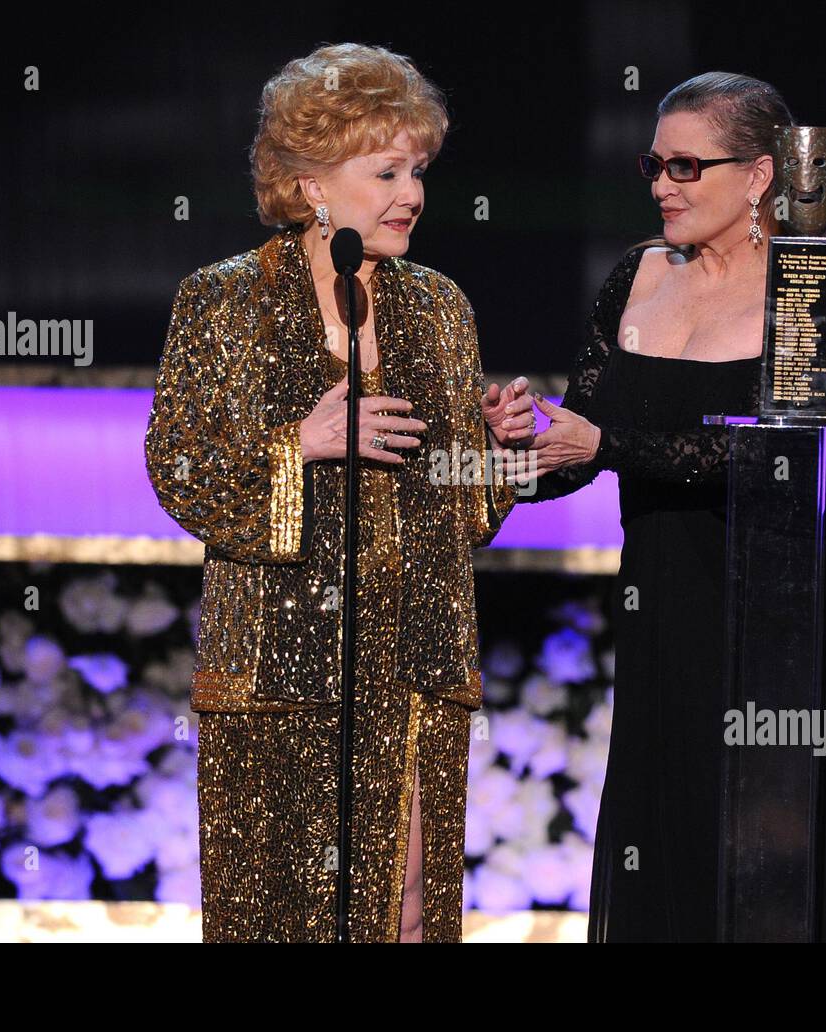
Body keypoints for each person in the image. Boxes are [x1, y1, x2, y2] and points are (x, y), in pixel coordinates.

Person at [144, 43, 535, 942]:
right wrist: (300, 445)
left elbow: (461, 507)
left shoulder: (439, 306)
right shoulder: (225, 300)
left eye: (420, 170)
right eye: (387, 169)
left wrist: (497, 449)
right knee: (281, 916)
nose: (413, 193)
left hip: (414, 668)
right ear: (313, 183)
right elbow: (181, 469)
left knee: (404, 910)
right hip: (280, 671)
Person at [510, 71, 826, 942]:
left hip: (776, 603)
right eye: (654, 164)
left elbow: (789, 456)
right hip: (661, 595)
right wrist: (515, 444)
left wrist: (604, 447)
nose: (660, 186)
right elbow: (576, 451)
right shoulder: (636, 276)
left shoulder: (805, 286)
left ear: (758, 175)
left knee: (771, 840)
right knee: (669, 819)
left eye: (686, 167)